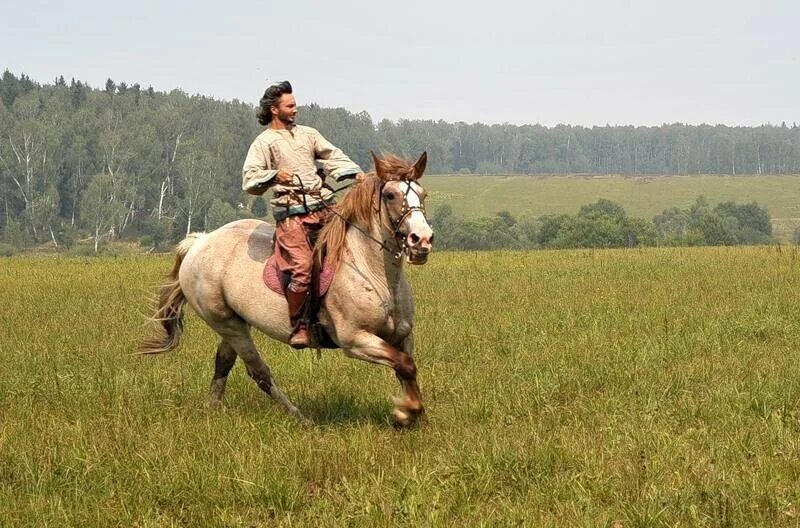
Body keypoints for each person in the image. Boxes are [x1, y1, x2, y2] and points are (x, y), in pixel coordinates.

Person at [242, 81, 364, 348]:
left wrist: (354, 172)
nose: (295, 109)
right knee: (304, 267)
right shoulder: (264, 143)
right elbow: (250, 178)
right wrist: (274, 175)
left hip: (324, 208)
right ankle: (300, 326)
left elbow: (333, 156)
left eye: (295, 104)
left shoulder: (308, 134)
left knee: (354, 248)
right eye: (290, 105)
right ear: (275, 110)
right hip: (291, 217)